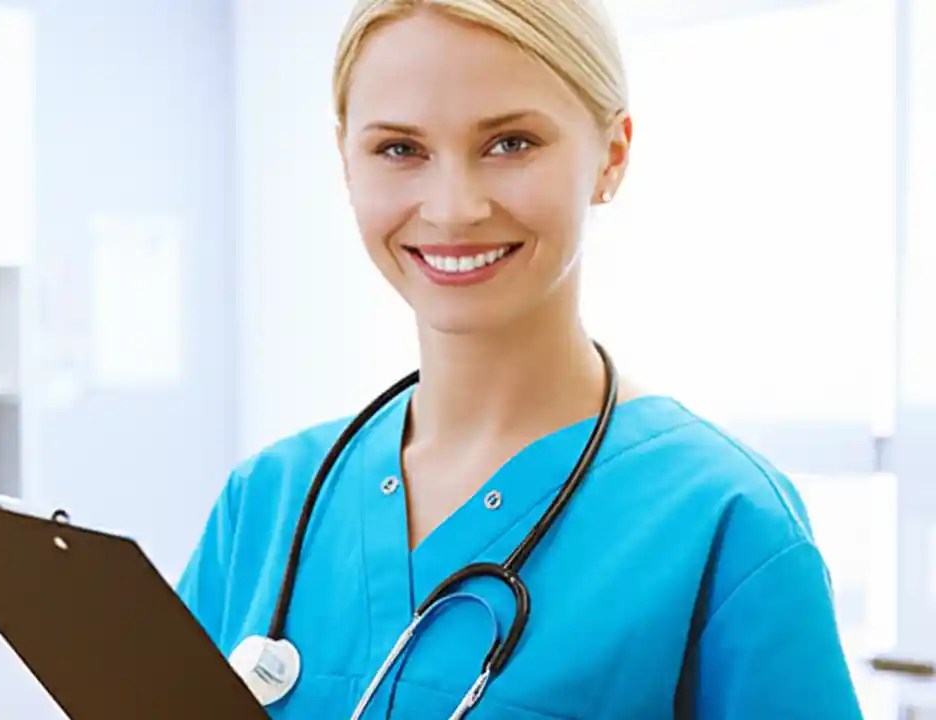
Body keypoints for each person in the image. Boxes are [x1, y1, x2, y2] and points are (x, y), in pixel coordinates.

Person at [177, 0, 864, 717]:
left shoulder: (724, 520)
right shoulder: (269, 501)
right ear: (346, 162)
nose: (452, 207)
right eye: (400, 150)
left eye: (510, 143)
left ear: (612, 156)